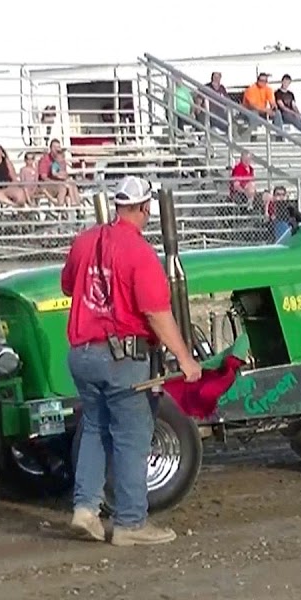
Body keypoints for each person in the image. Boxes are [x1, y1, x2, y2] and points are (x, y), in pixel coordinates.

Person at [61, 176, 204, 547]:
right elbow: (157, 314)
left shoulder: (85, 241)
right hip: (121, 357)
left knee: (95, 427)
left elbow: (69, 285)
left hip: (82, 353)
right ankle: (130, 523)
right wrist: (185, 359)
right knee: (132, 436)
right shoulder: (140, 253)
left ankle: (85, 509)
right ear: (144, 208)